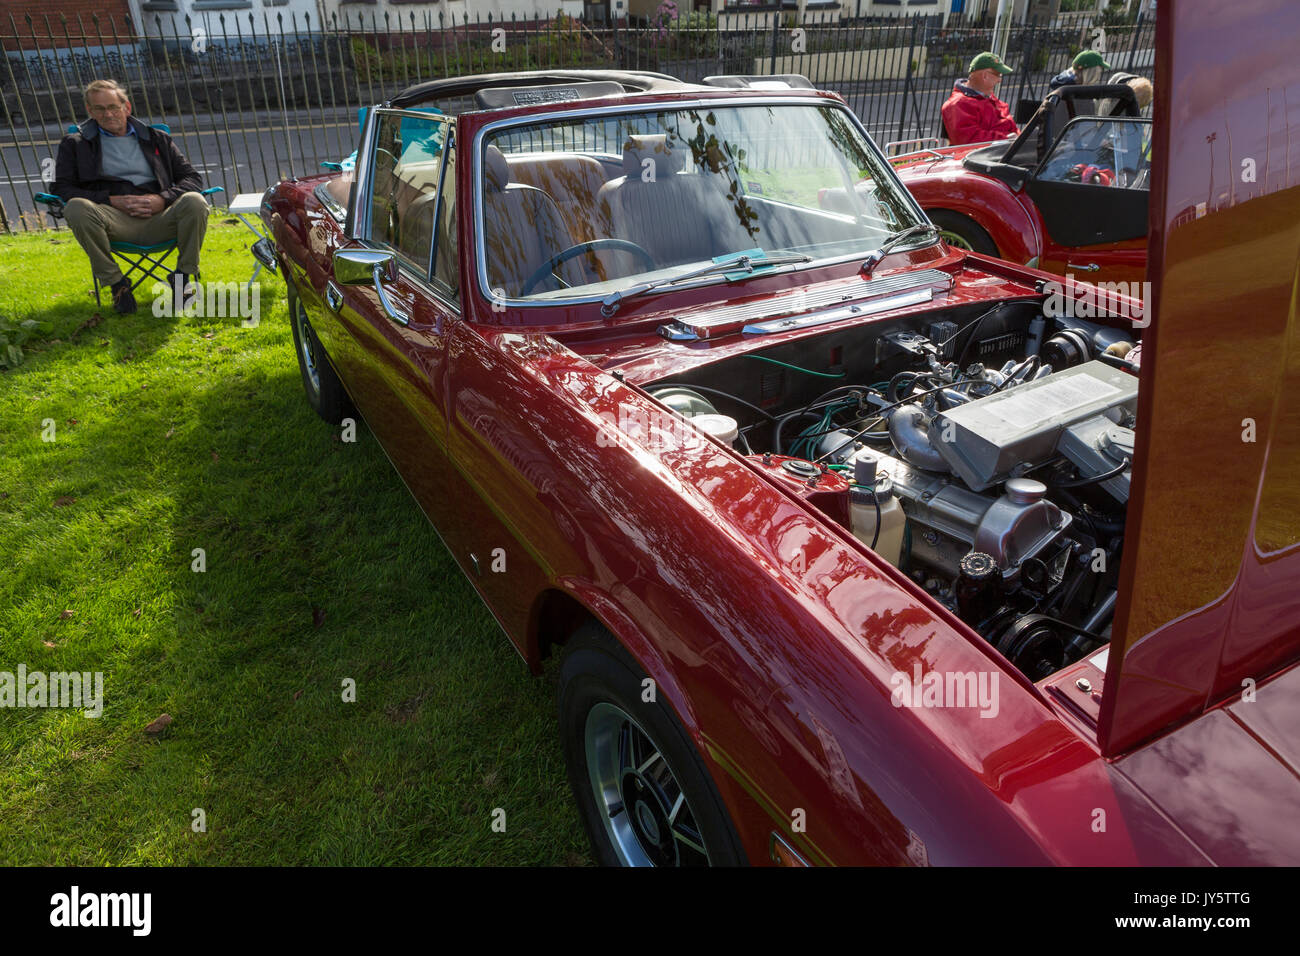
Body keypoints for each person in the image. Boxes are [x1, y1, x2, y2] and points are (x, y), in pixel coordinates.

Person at [53, 79, 208, 314]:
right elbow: (62, 188)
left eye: (113, 107)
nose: (108, 114)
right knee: (76, 207)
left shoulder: (156, 138)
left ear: (126, 107)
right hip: (113, 219)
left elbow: (192, 178)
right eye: (100, 109)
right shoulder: (75, 144)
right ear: (90, 111)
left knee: (195, 201)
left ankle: (183, 278)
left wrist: (163, 199)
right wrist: (110, 200)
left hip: (161, 216)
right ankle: (118, 285)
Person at [941, 52, 1020, 147]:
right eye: (998, 75)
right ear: (985, 76)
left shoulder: (987, 97)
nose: (999, 80)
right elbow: (969, 140)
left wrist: (1018, 139)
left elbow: (1011, 126)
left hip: (1004, 152)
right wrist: (1006, 140)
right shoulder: (957, 104)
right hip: (985, 157)